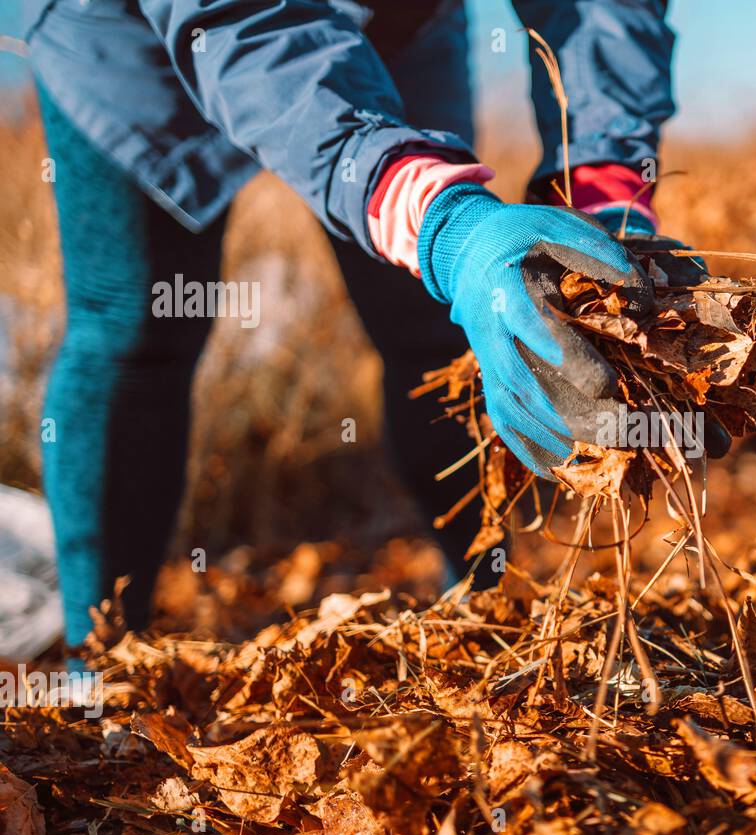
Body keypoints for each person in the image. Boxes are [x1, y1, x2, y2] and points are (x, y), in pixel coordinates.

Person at [19, 0, 679, 646]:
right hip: (131, 37)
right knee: (137, 330)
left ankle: (486, 606)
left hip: (398, 22)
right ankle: (102, 663)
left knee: (430, 324)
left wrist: (603, 180)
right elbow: (245, 25)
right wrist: (427, 210)